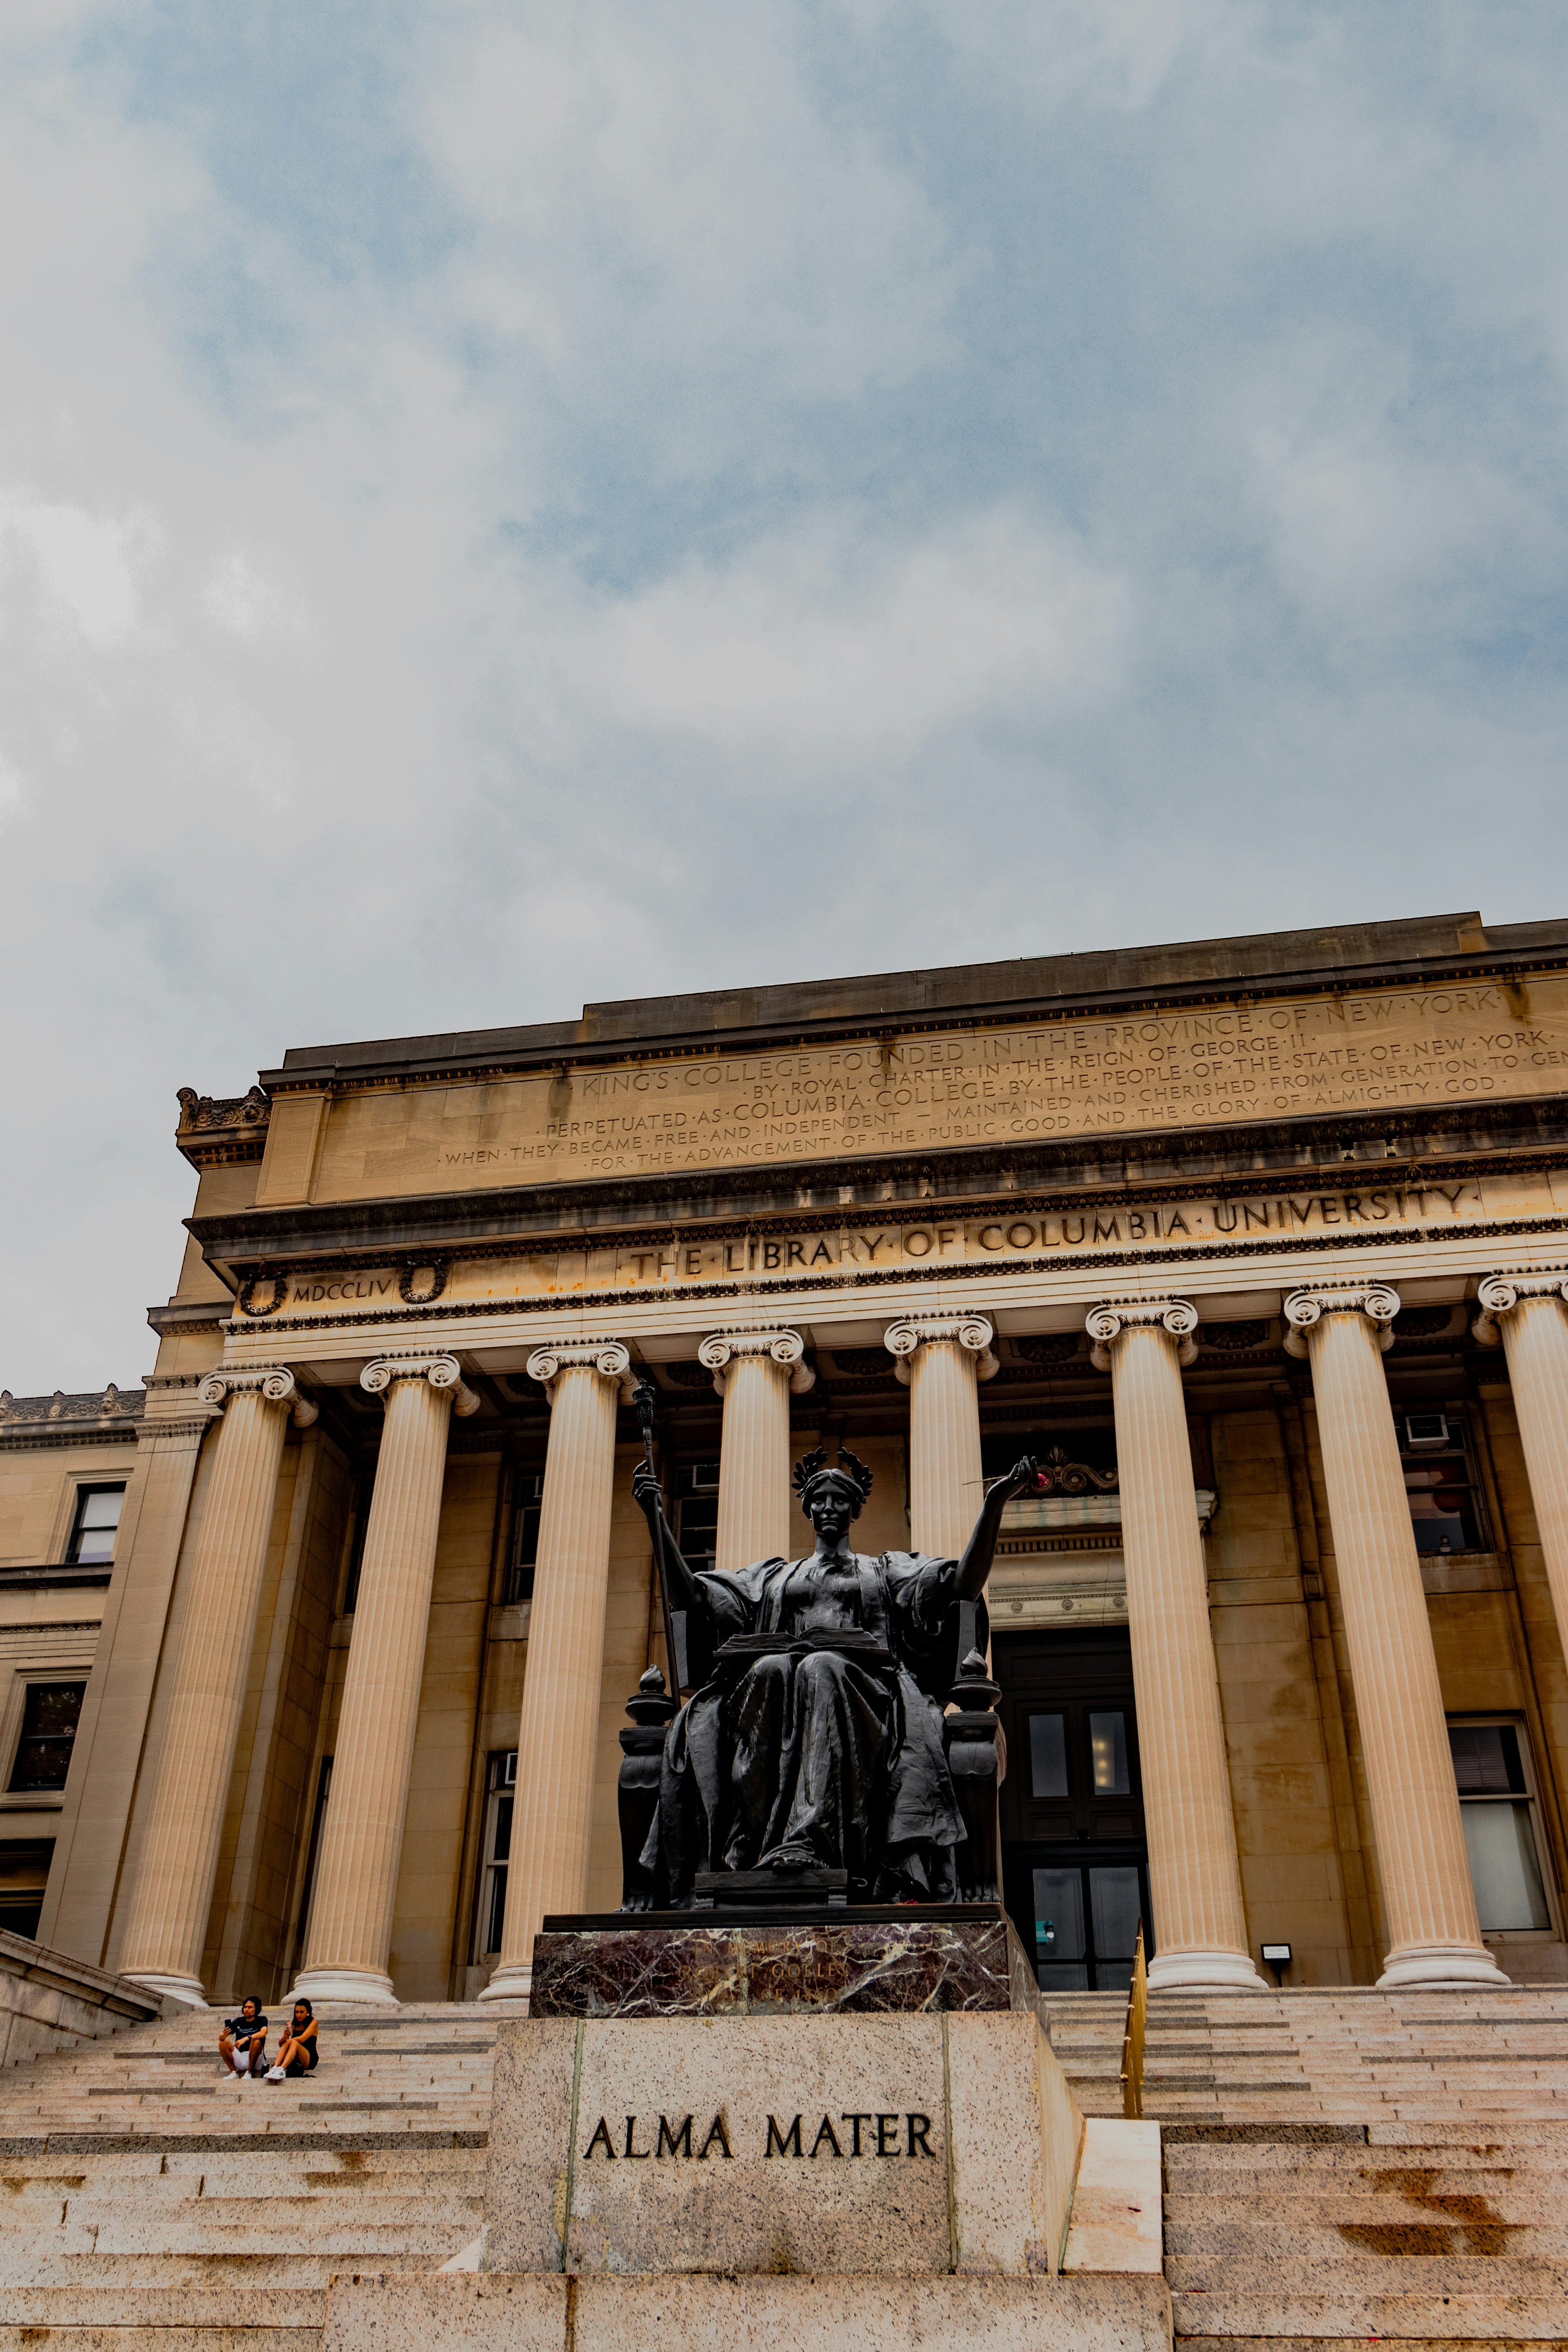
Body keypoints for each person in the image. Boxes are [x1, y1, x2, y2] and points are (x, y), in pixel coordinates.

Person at [631, 1444, 1037, 1905]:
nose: (828, 1507)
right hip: (783, 1685)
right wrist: (655, 1518)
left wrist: (993, 1504)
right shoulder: (772, 1579)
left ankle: (810, 1842)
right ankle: (747, 1847)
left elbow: (962, 1583)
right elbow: (692, 1597)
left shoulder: (884, 1571)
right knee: (769, 1669)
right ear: (806, 1508)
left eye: (839, 1500)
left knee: (821, 1667)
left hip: (868, 1691)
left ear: (855, 1509)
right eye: (819, 1500)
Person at [264, 1998, 318, 2081]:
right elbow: (281, 2044)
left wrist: (289, 2041)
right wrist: (285, 2037)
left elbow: (302, 2039)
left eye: (302, 2012)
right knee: (289, 2042)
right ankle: (275, 2068)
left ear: (308, 2012)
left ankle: (282, 2069)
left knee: (294, 2042)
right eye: (297, 2012)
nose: (299, 2015)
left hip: (309, 2057)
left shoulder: (313, 2023)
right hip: (295, 2057)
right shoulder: (291, 2024)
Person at [218, 1996, 268, 2079]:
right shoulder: (238, 2021)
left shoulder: (262, 2020)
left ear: (257, 2009)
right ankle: (234, 2072)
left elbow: (264, 2033)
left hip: (257, 2059)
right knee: (223, 2042)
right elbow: (222, 2037)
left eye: (250, 2007)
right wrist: (223, 2035)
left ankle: (249, 2072)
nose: (247, 2009)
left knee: (256, 2041)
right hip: (241, 2057)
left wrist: (247, 2038)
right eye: (245, 2007)